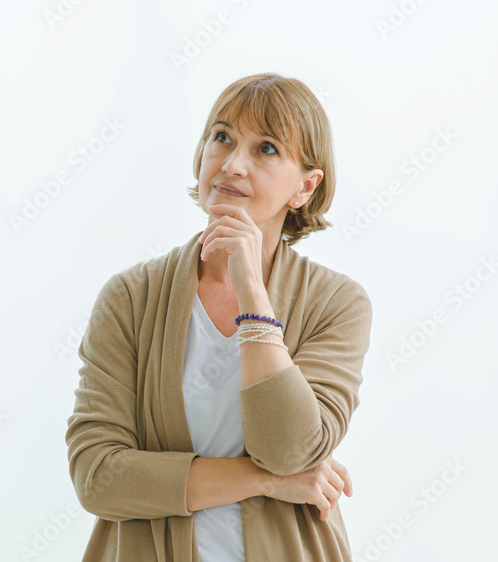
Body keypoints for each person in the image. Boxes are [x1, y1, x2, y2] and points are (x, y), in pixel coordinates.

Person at [65, 73, 373, 561]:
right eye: (223, 137)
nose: (232, 165)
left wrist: (252, 292)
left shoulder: (336, 303)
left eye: (267, 148)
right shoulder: (130, 297)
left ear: (306, 187)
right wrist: (265, 480)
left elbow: (290, 449)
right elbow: (98, 477)